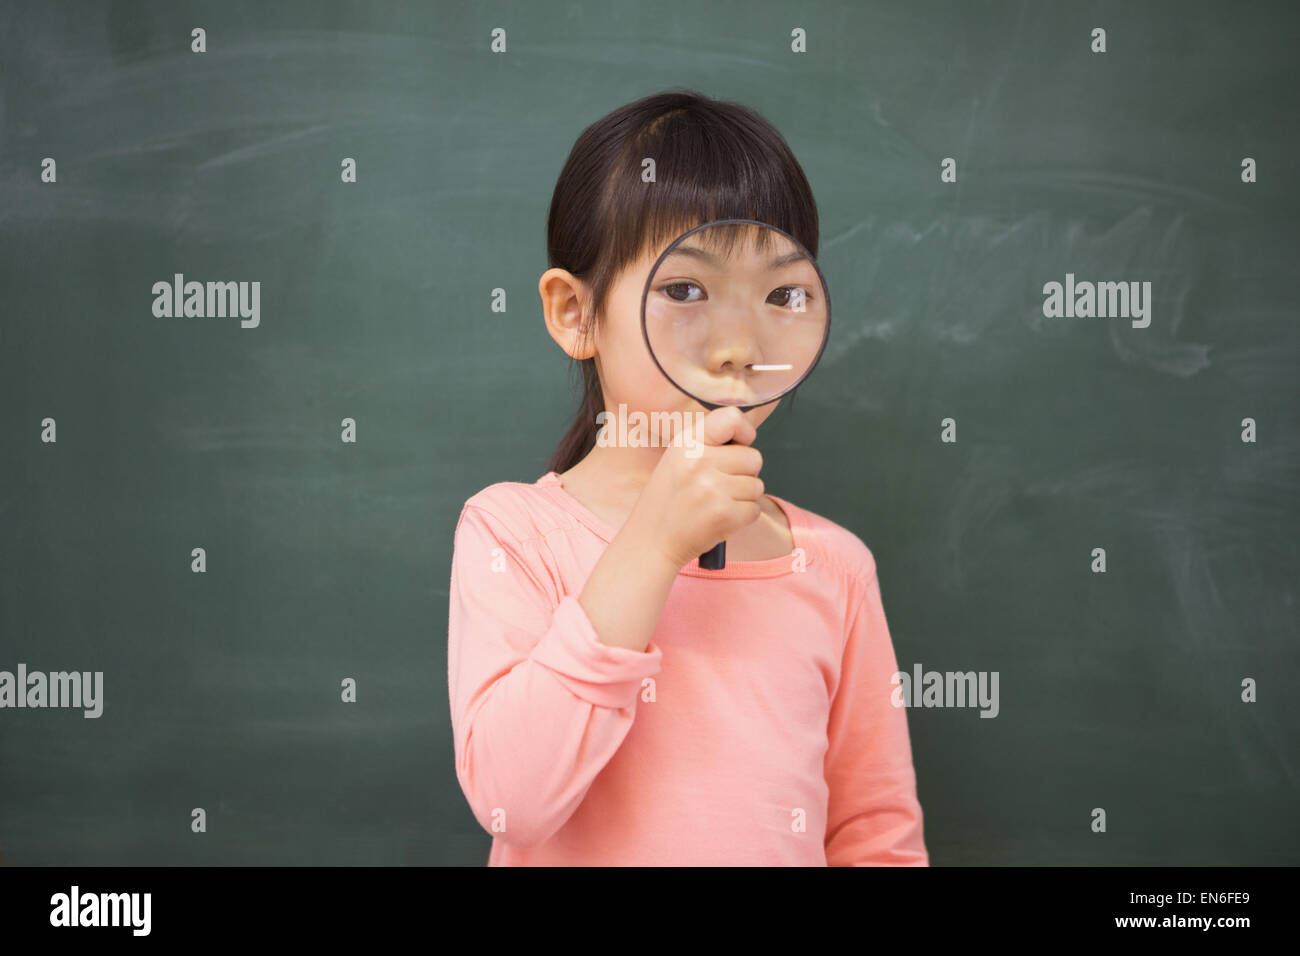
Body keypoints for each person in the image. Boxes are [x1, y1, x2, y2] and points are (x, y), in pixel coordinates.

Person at [447, 89, 928, 865]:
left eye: (780, 295)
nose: (738, 342)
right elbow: (513, 799)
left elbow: (875, 834)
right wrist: (653, 545)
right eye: (683, 290)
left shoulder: (835, 567)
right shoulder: (513, 536)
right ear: (576, 313)